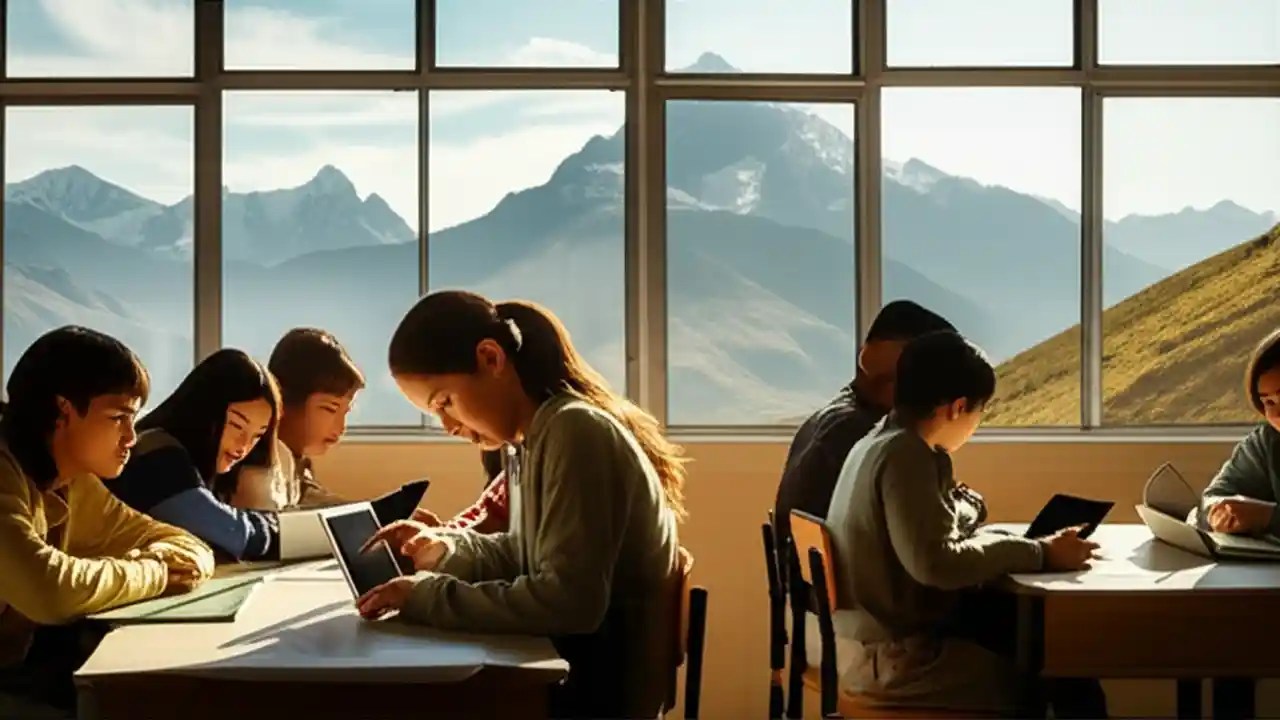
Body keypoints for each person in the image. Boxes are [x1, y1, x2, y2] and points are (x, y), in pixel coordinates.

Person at [354, 291, 686, 719]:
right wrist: (444, 548)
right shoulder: (531, 443)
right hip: (572, 674)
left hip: (592, 695)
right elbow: (523, 553)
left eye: (445, 403)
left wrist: (426, 597)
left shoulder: (576, 431)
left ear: (491, 359)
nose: (449, 427)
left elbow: (568, 601)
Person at [824, 331, 1104, 717]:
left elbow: (926, 530)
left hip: (864, 649)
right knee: (1060, 666)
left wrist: (967, 513)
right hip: (897, 664)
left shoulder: (874, 442)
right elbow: (936, 562)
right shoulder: (908, 455)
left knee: (1021, 637)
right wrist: (1041, 552)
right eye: (979, 411)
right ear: (958, 407)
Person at [0, 327, 214, 715]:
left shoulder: (72, 481)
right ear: (63, 410)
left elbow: (191, 548)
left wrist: (164, 563)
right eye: (118, 417)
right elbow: (48, 590)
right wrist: (155, 573)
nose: (132, 437)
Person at [773, 300, 956, 565]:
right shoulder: (863, 434)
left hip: (815, 591)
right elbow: (921, 540)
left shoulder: (834, 417)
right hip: (850, 597)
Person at [108, 349, 283, 562]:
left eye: (257, 435)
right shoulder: (157, 455)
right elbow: (236, 535)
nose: (244, 445)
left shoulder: (196, 462)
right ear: (204, 411)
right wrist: (301, 531)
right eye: (236, 426)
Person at [232, 328, 364, 511]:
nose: (340, 428)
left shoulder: (294, 460)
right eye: (329, 409)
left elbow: (315, 499)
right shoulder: (258, 470)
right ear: (283, 401)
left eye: (345, 413)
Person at [1200, 328, 1280, 535]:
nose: (1277, 414)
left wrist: (1267, 517)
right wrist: (1219, 512)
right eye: (1269, 402)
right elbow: (1216, 495)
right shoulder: (1265, 443)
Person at [412, 445, 512, 534]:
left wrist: (442, 532)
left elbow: (485, 528)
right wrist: (441, 528)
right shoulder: (497, 486)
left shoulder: (507, 487)